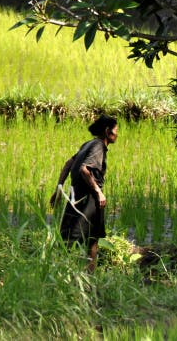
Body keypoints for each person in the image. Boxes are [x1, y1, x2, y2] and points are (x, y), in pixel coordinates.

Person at [49, 115, 119, 272]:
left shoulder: (88, 144)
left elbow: (69, 163)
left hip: (76, 196)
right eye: (115, 130)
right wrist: (98, 192)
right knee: (87, 239)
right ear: (107, 131)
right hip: (88, 199)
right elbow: (84, 169)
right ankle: (83, 273)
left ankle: (78, 273)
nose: (117, 134)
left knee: (75, 237)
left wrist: (59, 187)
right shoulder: (99, 146)